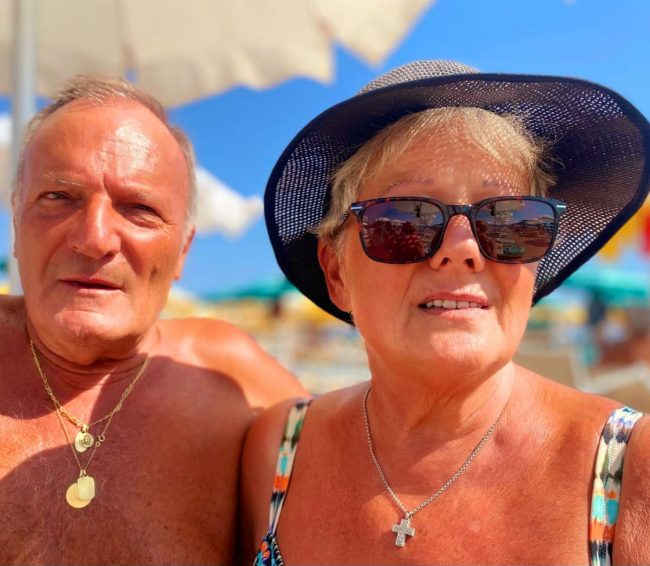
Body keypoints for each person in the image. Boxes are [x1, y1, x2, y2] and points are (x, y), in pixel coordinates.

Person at [241, 61, 650, 564]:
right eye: (405, 220)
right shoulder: (277, 451)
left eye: (509, 221)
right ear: (337, 272)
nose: (462, 249)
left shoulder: (633, 470)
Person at [0, 77, 306, 564]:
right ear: (17, 225)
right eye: (58, 197)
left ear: (183, 250)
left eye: (139, 209)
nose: (94, 239)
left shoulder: (231, 380)